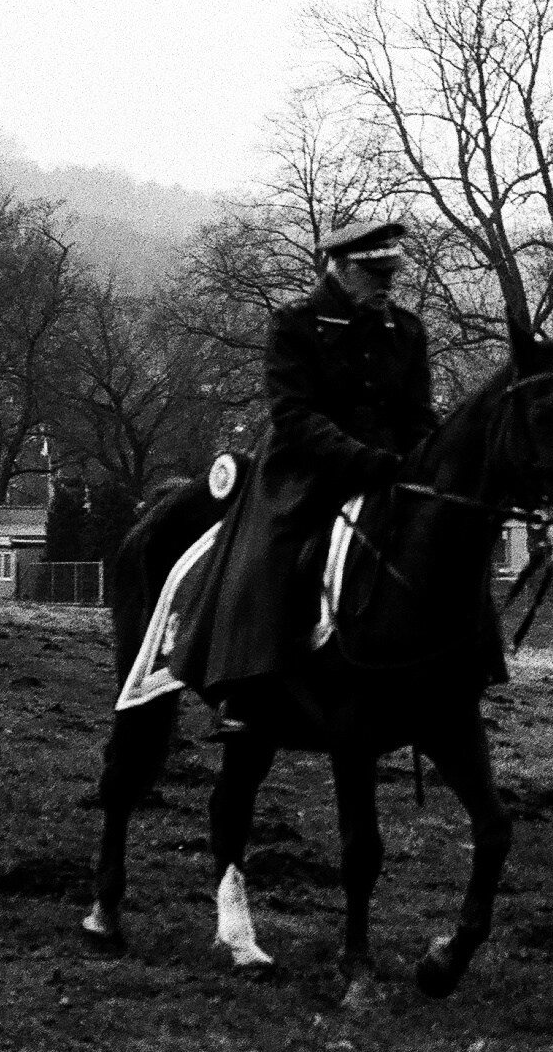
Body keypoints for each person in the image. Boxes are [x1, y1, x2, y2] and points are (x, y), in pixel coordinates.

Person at [182, 219, 437, 698]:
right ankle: (247, 688)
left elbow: (418, 412)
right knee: (269, 554)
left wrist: (423, 458)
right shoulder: (295, 323)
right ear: (339, 269)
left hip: (391, 465)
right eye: (375, 273)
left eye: (391, 272)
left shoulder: (405, 330)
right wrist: (361, 458)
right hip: (307, 466)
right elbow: (293, 413)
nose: (387, 283)